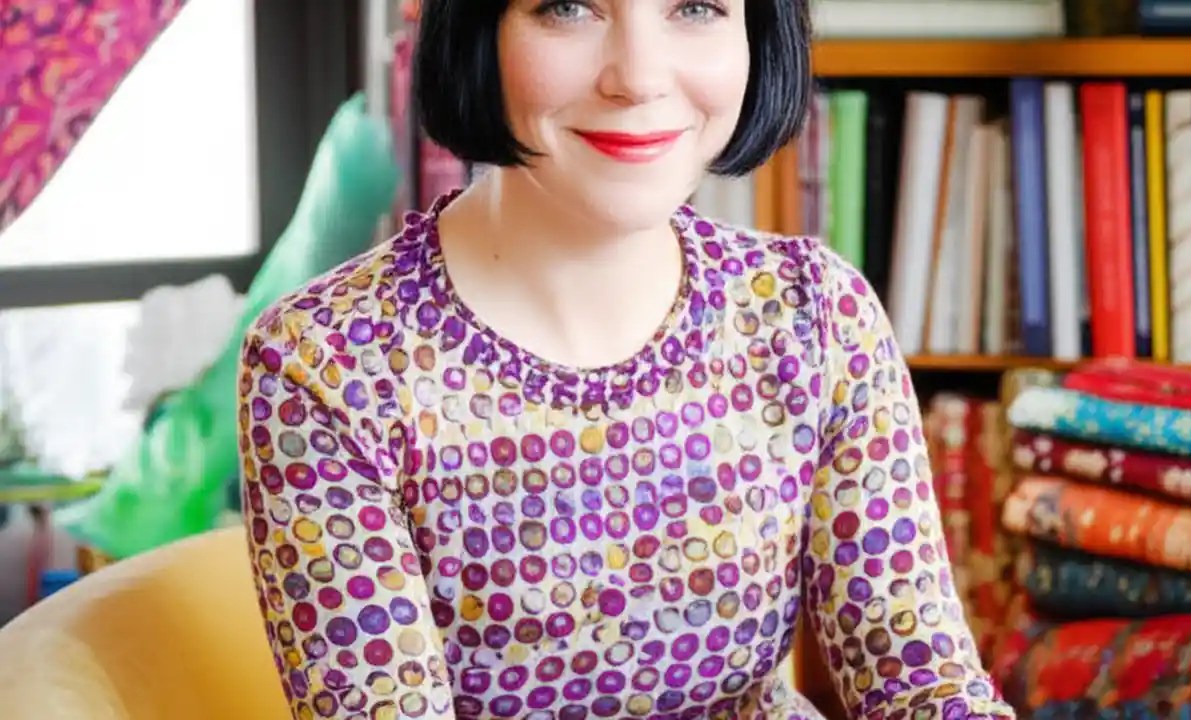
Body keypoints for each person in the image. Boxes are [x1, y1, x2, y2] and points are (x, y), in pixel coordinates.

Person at [235, 1, 1017, 718]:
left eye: (698, 7)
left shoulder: (814, 314)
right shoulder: (325, 363)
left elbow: (922, 679)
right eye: (568, 7)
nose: (638, 77)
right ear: (479, 27)